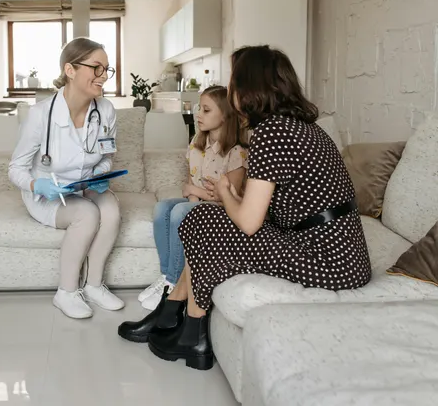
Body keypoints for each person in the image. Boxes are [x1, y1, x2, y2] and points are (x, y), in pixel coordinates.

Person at [118, 45, 371, 370]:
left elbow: (249, 222)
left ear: (248, 89)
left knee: (203, 221)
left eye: (234, 80)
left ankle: (189, 326)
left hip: (327, 261)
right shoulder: (303, 127)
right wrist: (227, 199)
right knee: (205, 219)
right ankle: (178, 318)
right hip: (339, 255)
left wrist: (225, 192)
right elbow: (264, 210)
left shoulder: (272, 133)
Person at [9, 37, 124, 320]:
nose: (103, 77)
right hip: (49, 193)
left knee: (110, 209)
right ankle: (67, 292)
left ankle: (95, 285)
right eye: (96, 68)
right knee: (86, 214)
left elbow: (107, 155)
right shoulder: (40, 115)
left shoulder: (106, 111)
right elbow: (15, 168)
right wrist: (37, 184)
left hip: (84, 184)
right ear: (70, 70)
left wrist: (99, 174)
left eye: (106, 70)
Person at [137, 86, 249, 311]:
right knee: (162, 208)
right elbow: (189, 187)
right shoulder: (196, 146)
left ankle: (174, 283)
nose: (198, 114)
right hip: (202, 206)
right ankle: (167, 277)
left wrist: (196, 193)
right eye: (199, 109)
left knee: (179, 212)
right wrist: (194, 197)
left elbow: (229, 196)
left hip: (223, 210)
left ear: (225, 115)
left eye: (206, 110)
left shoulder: (237, 152)